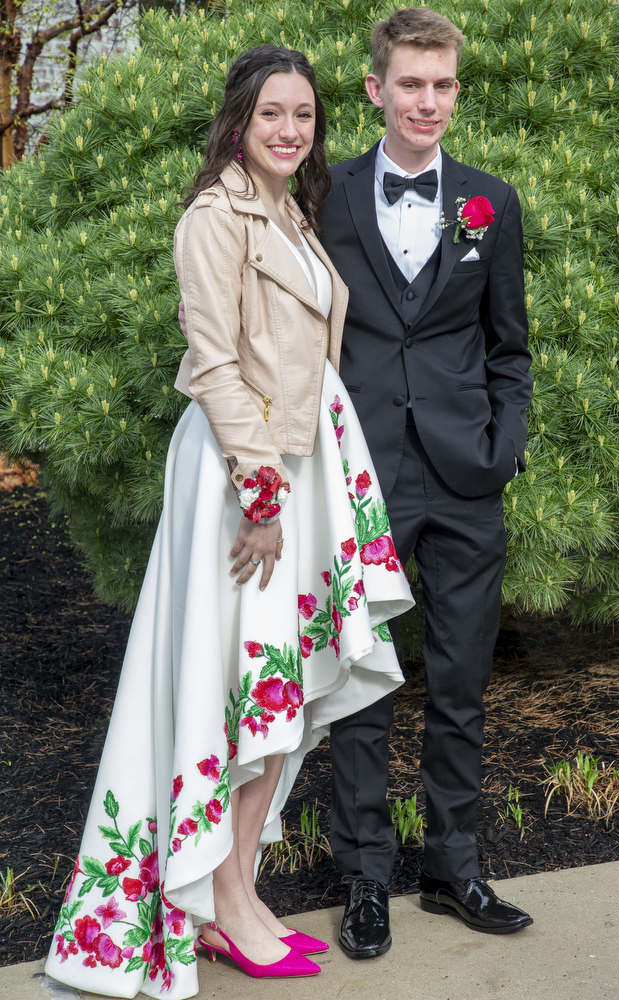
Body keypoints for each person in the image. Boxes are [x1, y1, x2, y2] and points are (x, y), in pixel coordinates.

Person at [44, 46, 412, 998]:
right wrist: (260, 497)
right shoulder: (213, 217)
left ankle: (234, 896)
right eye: (271, 116)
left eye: (303, 115)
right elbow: (213, 366)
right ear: (237, 123)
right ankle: (221, 905)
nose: (291, 131)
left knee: (276, 701)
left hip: (304, 458)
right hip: (249, 479)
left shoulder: (287, 209)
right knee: (248, 689)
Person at [317, 7, 535, 958]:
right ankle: (364, 878)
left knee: (460, 680)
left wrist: (503, 446)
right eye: (412, 83)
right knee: (365, 678)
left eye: (444, 84)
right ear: (376, 90)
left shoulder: (491, 200)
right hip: (356, 474)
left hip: (464, 478)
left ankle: (454, 868)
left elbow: (510, 347)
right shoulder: (321, 193)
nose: (430, 101)